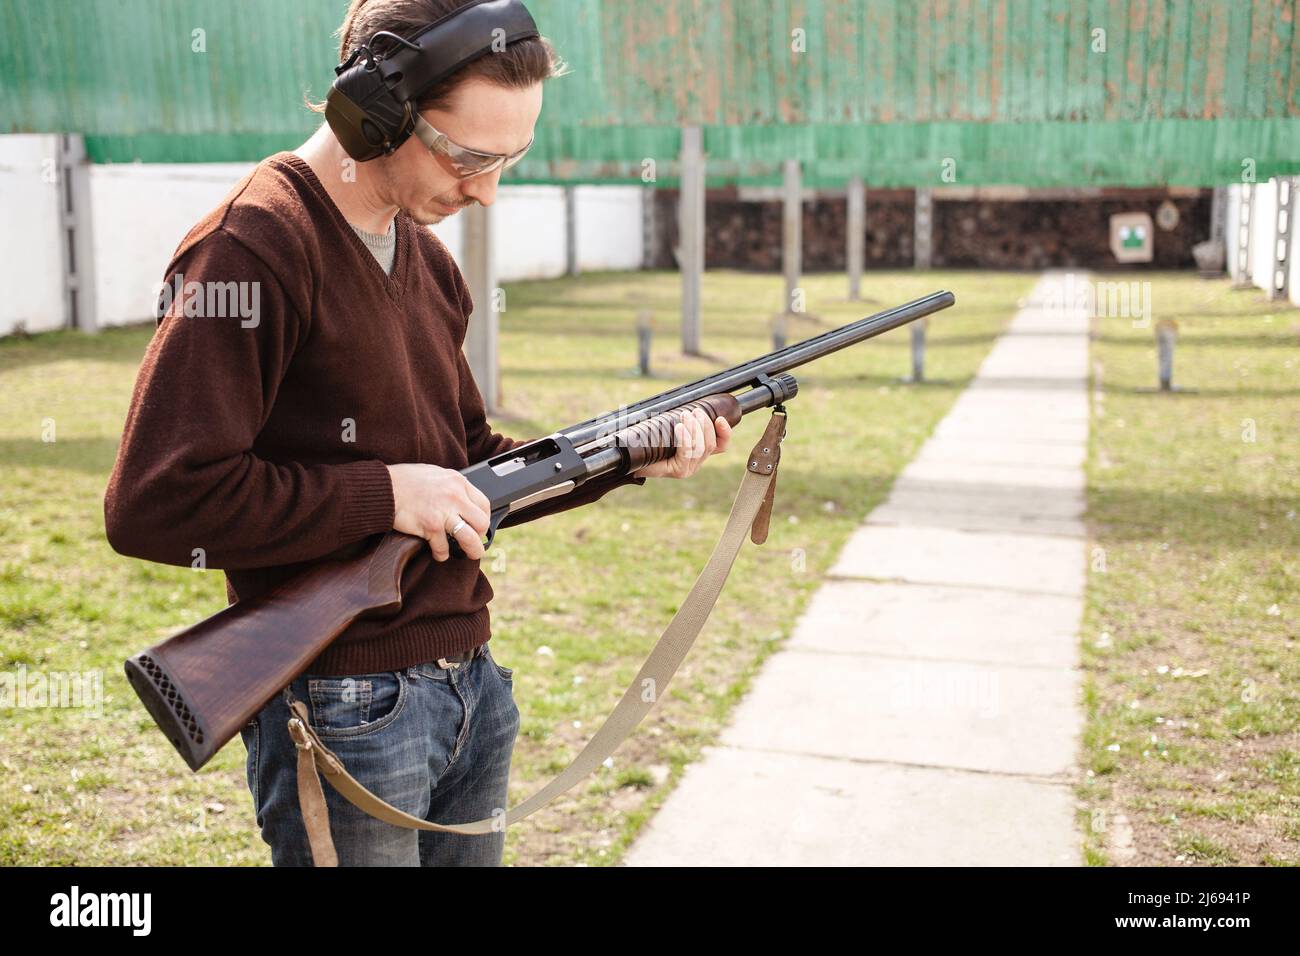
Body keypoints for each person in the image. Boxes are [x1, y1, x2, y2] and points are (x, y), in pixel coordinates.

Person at [103, 0, 731, 867]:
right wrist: (389, 493)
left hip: (471, 681)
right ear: (374, 109)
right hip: (346, 707)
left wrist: (626, 455)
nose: (485, 190)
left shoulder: (426, 259)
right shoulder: (253, 248)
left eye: (510, 159)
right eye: (469, 156)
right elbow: (157, 501)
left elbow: (470, 473)